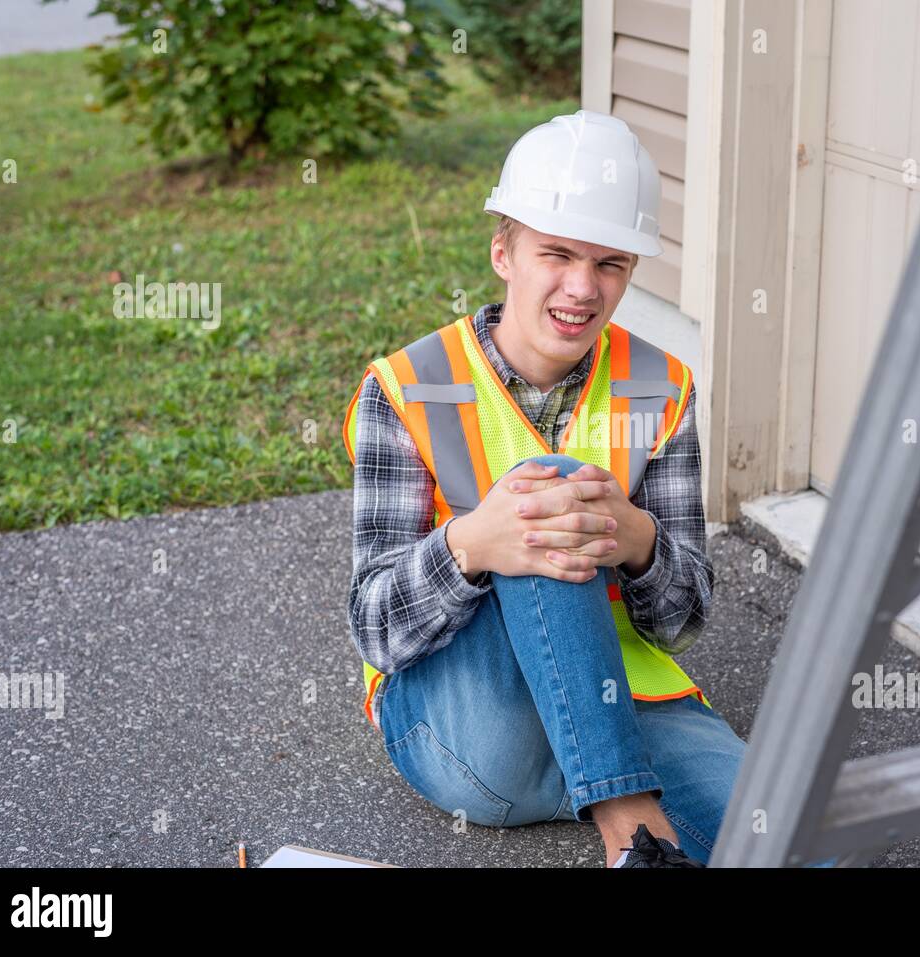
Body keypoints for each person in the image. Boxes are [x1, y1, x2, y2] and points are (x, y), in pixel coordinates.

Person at [344, 110, 833, 868]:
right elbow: (376, 627)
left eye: (610, 263)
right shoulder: (409, 387)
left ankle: (623, 806)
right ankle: (626, 826)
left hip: (625, 710)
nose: (583, 287)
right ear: (503, 251)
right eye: (558, 254)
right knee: (555, 485)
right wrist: (473, 544)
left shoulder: (658, 387)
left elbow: (680, 624)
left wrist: (636, 540)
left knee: (801, 838)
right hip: (476, 732)